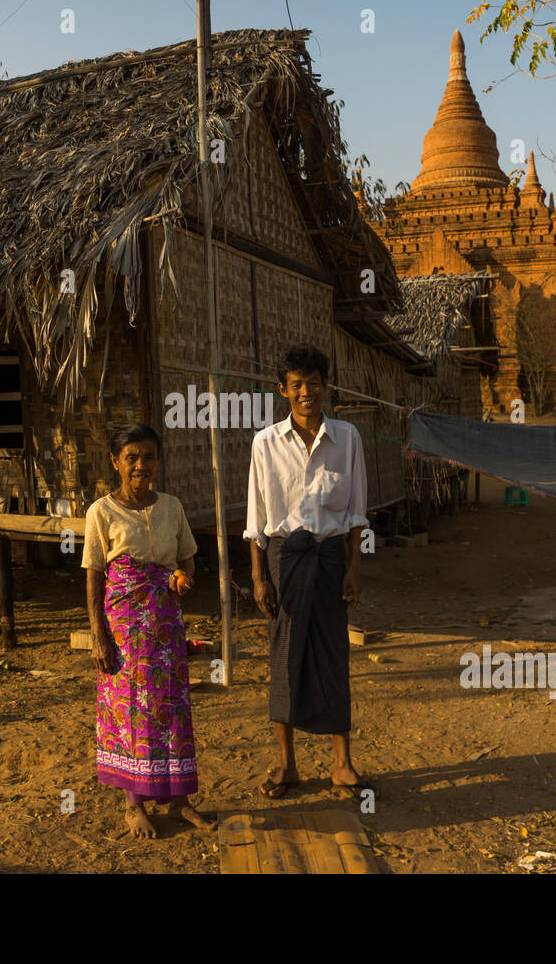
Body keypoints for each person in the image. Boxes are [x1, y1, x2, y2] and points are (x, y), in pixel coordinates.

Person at [245, 343, 370, 799]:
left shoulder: (348, 438)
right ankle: (286, 765)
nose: (306, 392)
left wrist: (355, 568)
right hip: (284, 560)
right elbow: (256, 519)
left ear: (325, 386)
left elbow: (357, 512)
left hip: (332, 558)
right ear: (283, 390)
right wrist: (259, 577)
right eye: (296, 385)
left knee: (334, 656)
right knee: (284, 659)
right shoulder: (264, 443)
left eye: (313, 383)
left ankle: (342, 764)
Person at [82, 422, 215, 837]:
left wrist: (182, 576)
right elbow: (94, 577)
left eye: (149, 456)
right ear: (115, 463)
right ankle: (134, 804)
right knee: (129, 714)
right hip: (122, 631)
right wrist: (98, 636)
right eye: (132, 458)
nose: (141, 465)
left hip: (166, 628)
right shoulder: (101, 512)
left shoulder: (172, 507)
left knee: (173, 710)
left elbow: (188, 558)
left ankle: (179, 802)